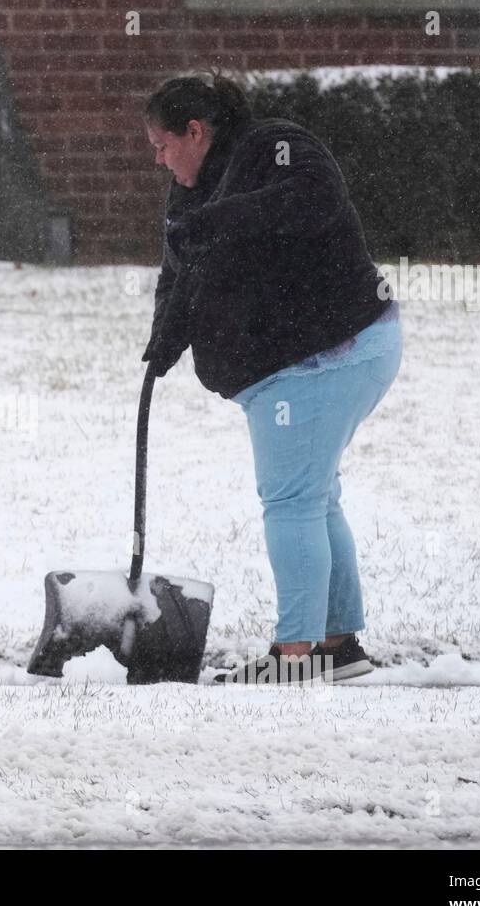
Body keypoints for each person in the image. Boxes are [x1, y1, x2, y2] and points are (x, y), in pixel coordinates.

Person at [141, 70, 402, 685]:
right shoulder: (189, 193)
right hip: (303, 365)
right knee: (314, 497)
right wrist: (163, 345)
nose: (158, 159)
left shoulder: (276, 147)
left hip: (329, 355)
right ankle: (336, 645)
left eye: (161, 144)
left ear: (195, 131)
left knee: (291, 503)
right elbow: (179, 274)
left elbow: (314, 200)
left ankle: (298, 658)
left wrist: (218, 220)